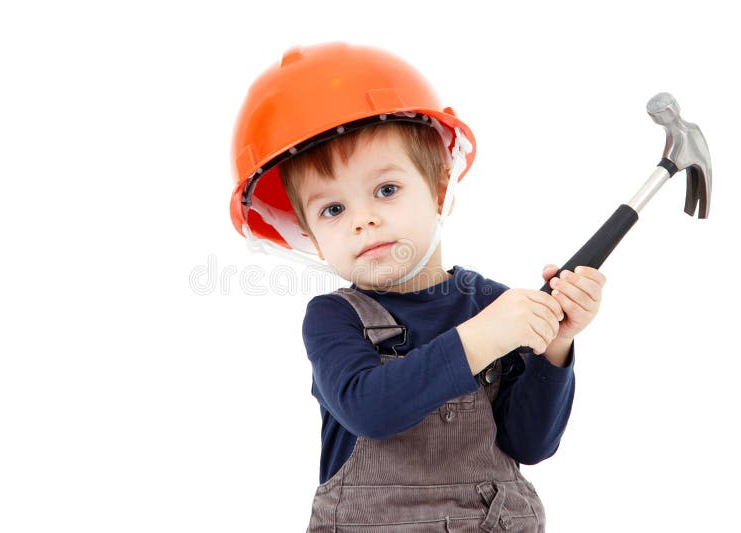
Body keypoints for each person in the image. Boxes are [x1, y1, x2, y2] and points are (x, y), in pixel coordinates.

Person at [229, 42, 606, 532]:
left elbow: (531, 444)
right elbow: (372, 408)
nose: (362, 219)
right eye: (332, 210)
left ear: (439, 190)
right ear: (312, 238)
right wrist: (482, 339)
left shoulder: (492, 304)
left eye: (386, 190)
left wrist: (555, 343)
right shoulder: (334, 318)